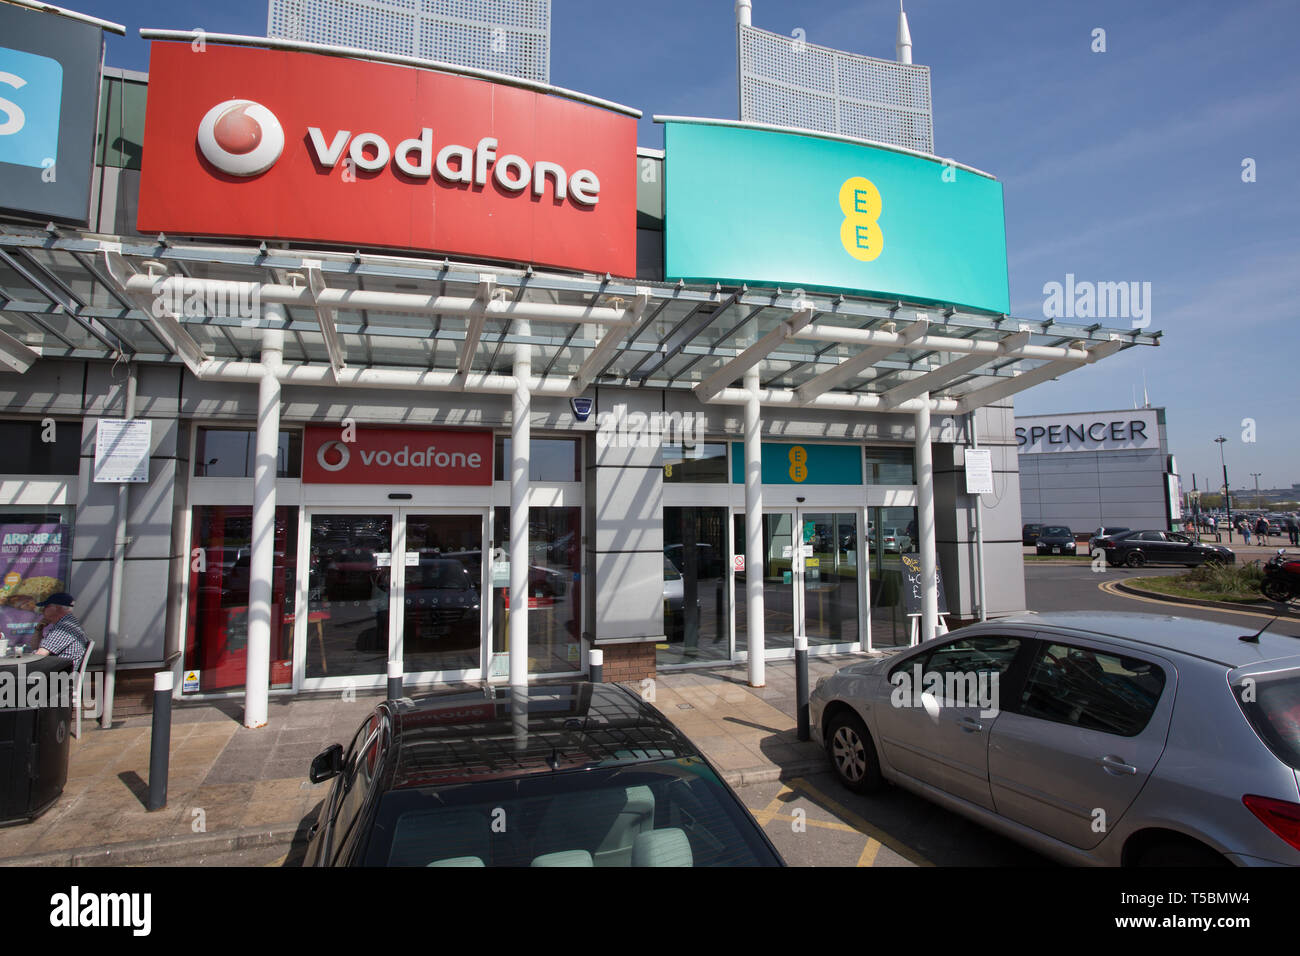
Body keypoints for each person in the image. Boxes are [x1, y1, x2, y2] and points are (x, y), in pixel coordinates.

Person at [30, 592, 88, 672]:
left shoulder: (65, 627)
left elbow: (40, 655)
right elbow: (35, 647)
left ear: (57, 608)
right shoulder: (66, 623)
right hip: (56, 673)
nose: (42, 610)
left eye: (46, 606)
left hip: (58, 678)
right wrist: (39, 629)